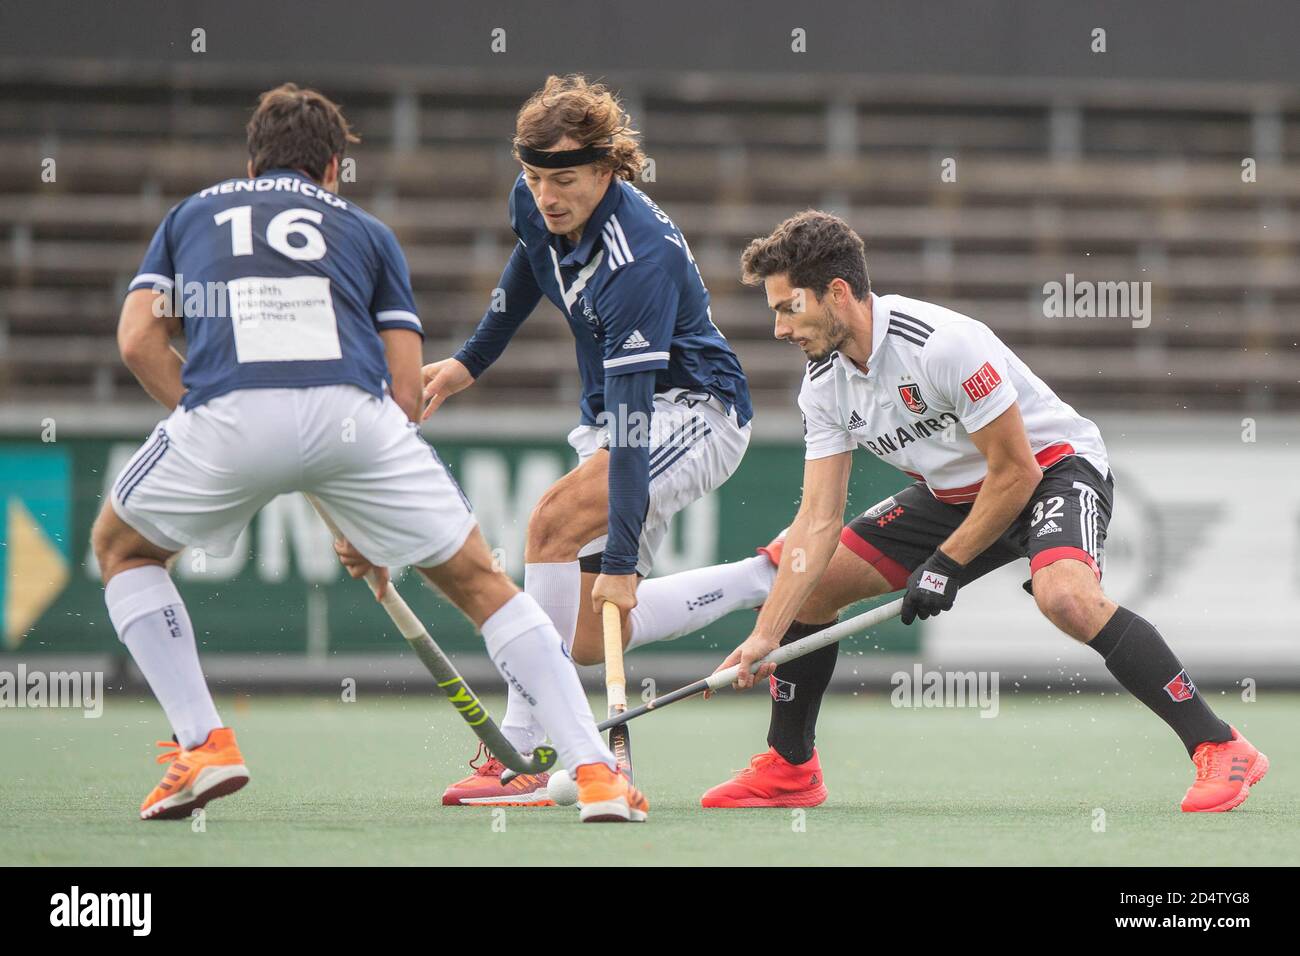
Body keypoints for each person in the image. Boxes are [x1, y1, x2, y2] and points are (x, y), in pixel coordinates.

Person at [92, 83, 646, 824]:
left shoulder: (190, 215)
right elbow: (406, 392)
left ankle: (203, 743)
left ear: (251, 165)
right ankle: (597, 774)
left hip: (225, 410)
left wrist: (207, 416)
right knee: (484, 584)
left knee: (122, 550)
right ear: (332, 169)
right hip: (355, 420)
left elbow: (137, 340)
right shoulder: (366, 231)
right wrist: (366, 506)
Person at [703, 209, 1267, 813]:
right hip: (954, 494)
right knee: (815, 588)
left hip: (1051, 469)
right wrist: (766, 634)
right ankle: (791, 769)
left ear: (838, 294)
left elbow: (1017, 472)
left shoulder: (941, 345)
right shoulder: (823, 385)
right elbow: (817, 519)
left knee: (1066, 598)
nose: (780, 329)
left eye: (789, 307)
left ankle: (1220, 745)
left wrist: (947, 562)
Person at [384, 74, 778, 806]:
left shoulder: (639, 260)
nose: (545, 196)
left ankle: (525, 747)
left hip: (695, 412)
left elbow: (633, 430)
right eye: (533, 177)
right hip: (618, 419)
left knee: (551, 521)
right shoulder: (536, 201)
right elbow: (527, 269)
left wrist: (623, 561)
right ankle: (767, 575)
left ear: (608, 170)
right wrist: (471, 360)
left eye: (563, 179)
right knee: (588, 641)